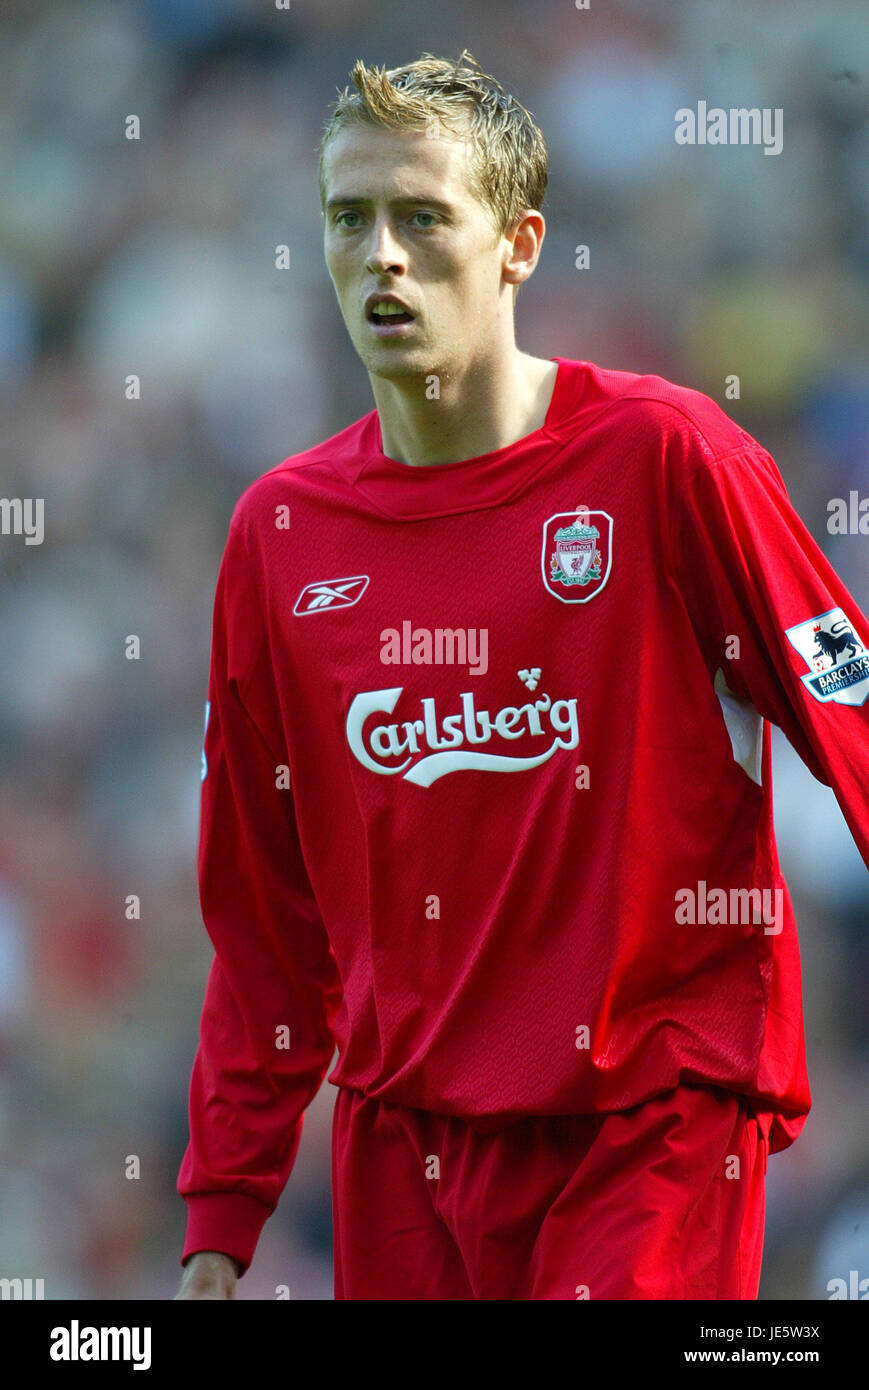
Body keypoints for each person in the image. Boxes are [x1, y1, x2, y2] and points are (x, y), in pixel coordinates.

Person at [175, 50, 869, 1300]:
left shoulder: (665, 459)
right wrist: (224, 1211)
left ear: (519, 245)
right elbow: (265, 918)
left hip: (650, 1121)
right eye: (349, 218)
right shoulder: (279, 536)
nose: (380, 254)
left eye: (422, 217)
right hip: (405, 1150)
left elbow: (857, 716)